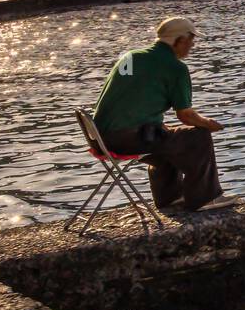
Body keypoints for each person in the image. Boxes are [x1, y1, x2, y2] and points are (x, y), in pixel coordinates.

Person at [92, 17, 225, 211]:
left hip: (100, 138)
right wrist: (208, 123)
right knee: (198, 136)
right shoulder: (176, 68)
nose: (193, 45)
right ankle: (205, 198)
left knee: (167, 137)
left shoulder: (130, 57)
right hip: (127, 140)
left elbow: (128, 100)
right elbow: (185, 115)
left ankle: (170, 198)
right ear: (179, 41)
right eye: (191, 40)